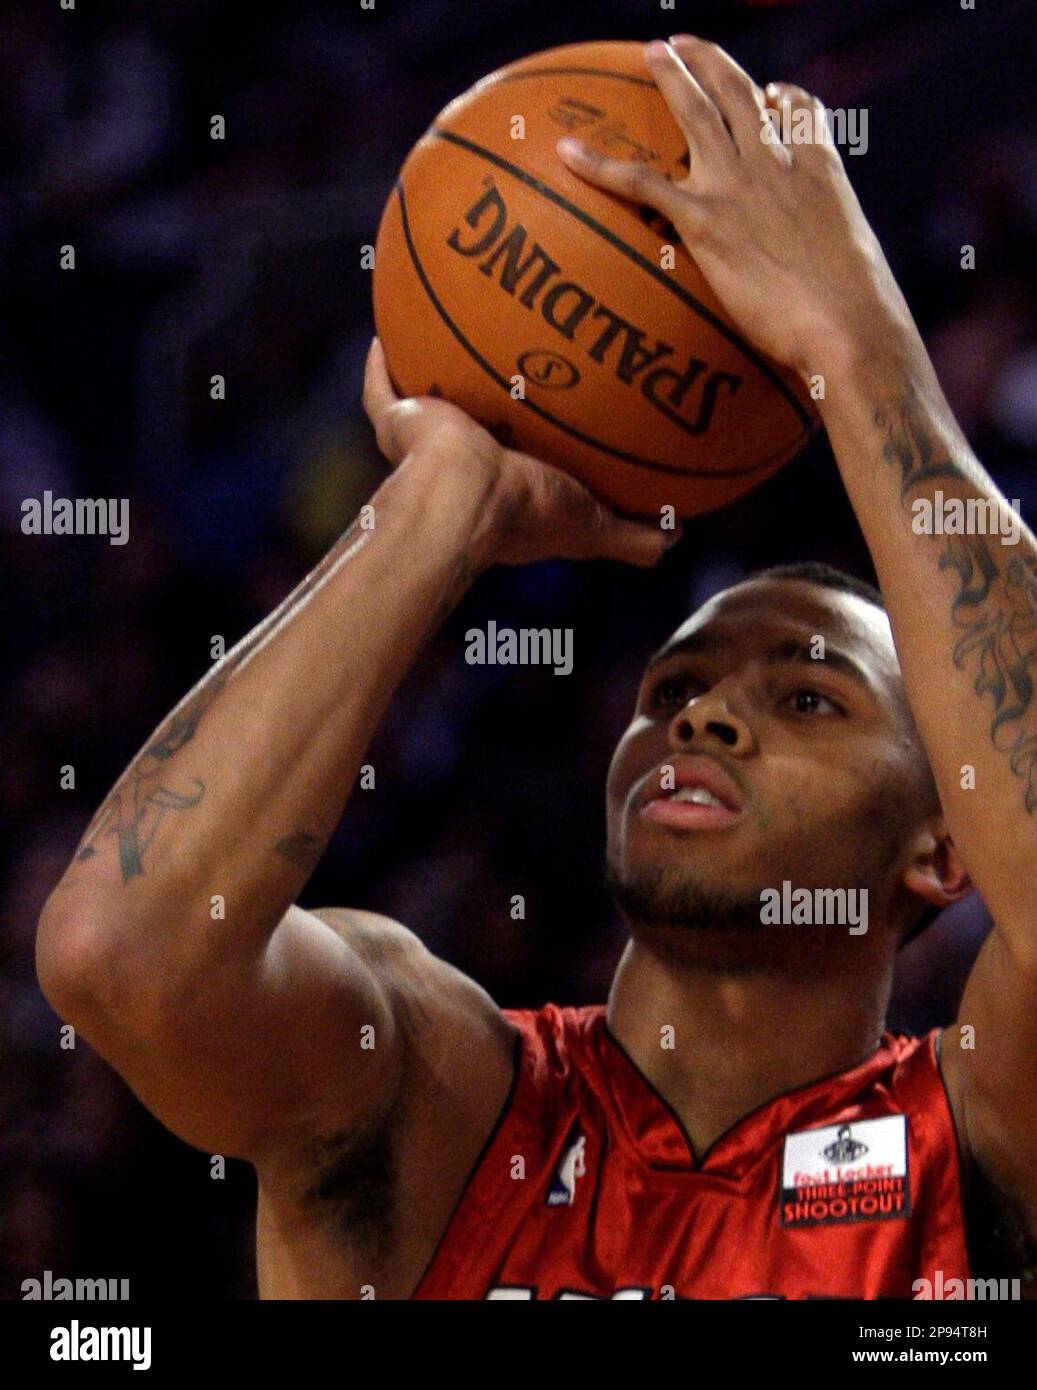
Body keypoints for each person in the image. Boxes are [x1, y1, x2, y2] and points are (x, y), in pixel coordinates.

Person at [36, 36, 1036, 1299]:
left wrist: (855, 339)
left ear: (942, 848)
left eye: (805, 695)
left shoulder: (981, 1142)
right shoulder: (440, 1101)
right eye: (672, 691)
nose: (707, 717)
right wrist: (441, 500)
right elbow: (122, 952)